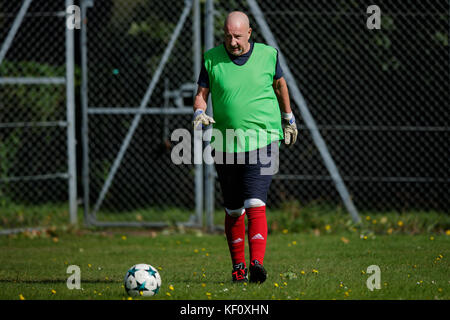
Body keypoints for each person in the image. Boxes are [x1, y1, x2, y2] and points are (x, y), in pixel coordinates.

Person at [192, 11, 297, 283]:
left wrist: (288, 117)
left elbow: (280, 84)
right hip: (225, 143)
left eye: (238, 36)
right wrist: (198, 112)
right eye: (228, 36)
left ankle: (256, 264)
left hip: (262, 139)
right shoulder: (212, 58)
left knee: (255, 202)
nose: (233, 42)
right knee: (233, 209)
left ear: (249, 33)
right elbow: (202, 94)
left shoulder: (268, 55)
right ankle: (238, 267)